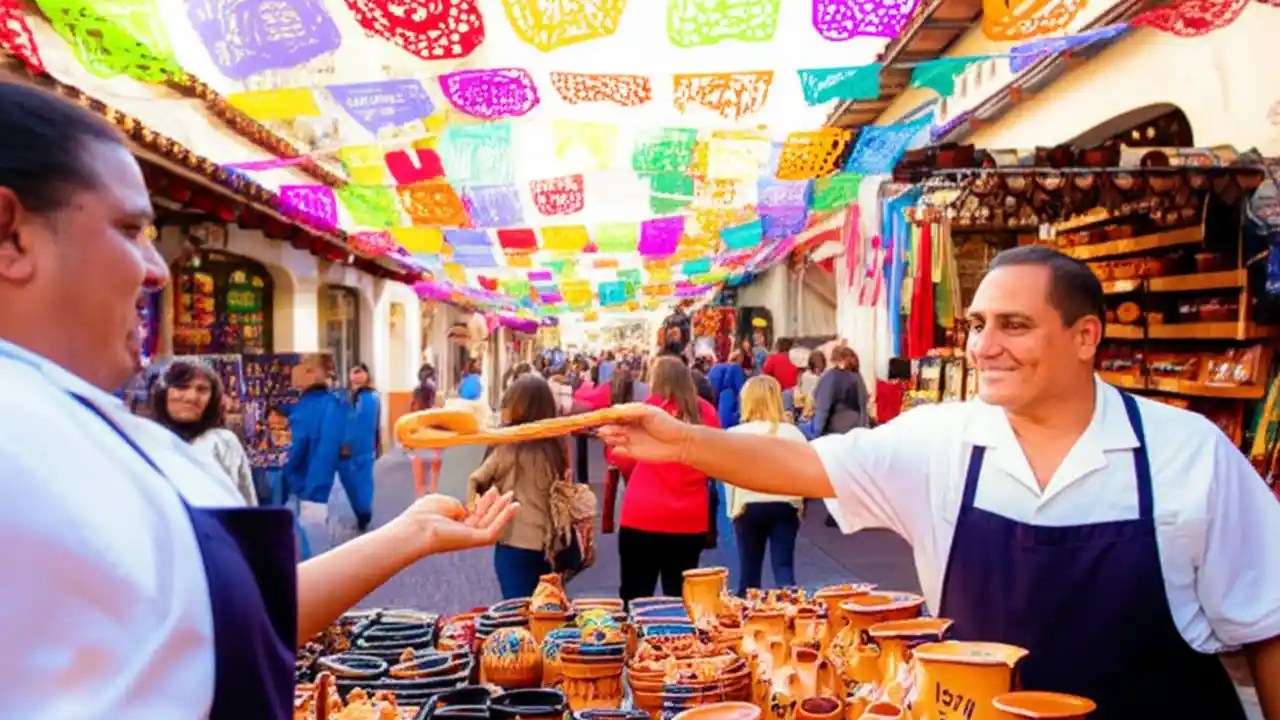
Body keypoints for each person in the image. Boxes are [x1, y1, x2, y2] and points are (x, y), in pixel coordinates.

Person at [0, 81, 517, 718]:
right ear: (10, 235)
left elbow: (217, 625)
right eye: (128, 229)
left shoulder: (65, 418)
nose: (155, 268)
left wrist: (407, 535)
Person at [600, 245, 1280, 719]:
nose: (984, 346)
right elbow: (805, 465)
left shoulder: (1187, 453)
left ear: (1086, 336)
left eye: (1015, 325)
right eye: (978, 324)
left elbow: (1269, 624)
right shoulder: (945, 440)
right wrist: (682, 442)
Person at [613, 357, 720, 603]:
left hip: (643, 512)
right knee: (680, 598)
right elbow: (716, 460)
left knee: (635, 596)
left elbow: (622, 458)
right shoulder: (705, 412)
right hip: (688, 517)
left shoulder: (646, 410)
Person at [468, 375, 567, 599]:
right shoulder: (556, 448)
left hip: (514, 542)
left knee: (517, 609)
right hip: (550, 545)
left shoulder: (507, 447)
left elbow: (477, 479)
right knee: (547, 607)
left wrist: (478, 508)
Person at [727, 376, 807, 595]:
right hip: (784, 504)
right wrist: (799, 504)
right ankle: (794, 614)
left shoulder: (735, 435)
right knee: (784, 568)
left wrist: (732, 510)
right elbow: (804, 471)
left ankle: (747, 619)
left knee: (749, 571)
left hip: (748, 504)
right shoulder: (793, 434)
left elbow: (727, 476)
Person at [150, 359, 256, 506]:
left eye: (202, 390)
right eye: (181, 387)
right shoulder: (147, 441)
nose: (192, 397)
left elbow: (246, 504)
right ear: (164, 393)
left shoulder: (221, 442)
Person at [283, 354, 347, 526]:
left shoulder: (305, 410)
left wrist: (288, 476)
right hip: (339, 492)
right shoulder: (338, 402)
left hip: (312, 492)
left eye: (300, 365)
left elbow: (294, 452)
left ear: (309, 372)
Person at [338, 362, 380, 532]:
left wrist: (378, 445)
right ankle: (360, 512)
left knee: (363, 482)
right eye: (353, 372)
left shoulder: (371, 397)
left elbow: (374, 424)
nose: (356, 375)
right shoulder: (344, 396)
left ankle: (364, 513)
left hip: (364, 448)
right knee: (350, 483)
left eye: (359, 371)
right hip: (345, 450)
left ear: (366, 375)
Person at [810, 346, 870, 438]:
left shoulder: (830, 377)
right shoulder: (858, 378)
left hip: (834, 433)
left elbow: (822, 409)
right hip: (856, 432)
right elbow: (864, 408)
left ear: (837, 361)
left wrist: (815, 434)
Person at [409, 363, 439, 497]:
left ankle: (420, 498)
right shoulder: (434, 391)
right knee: (435, 469)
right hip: (432, 436)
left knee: (419, 471)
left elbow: (411, 410)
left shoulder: (416, 391)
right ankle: (432, 493)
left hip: (420, 435)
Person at [707, 349, 748, 429]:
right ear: (740, 358)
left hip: (715, 401)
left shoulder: (716, 367)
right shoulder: (736, 368)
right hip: (729, 401)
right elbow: (741, 390)